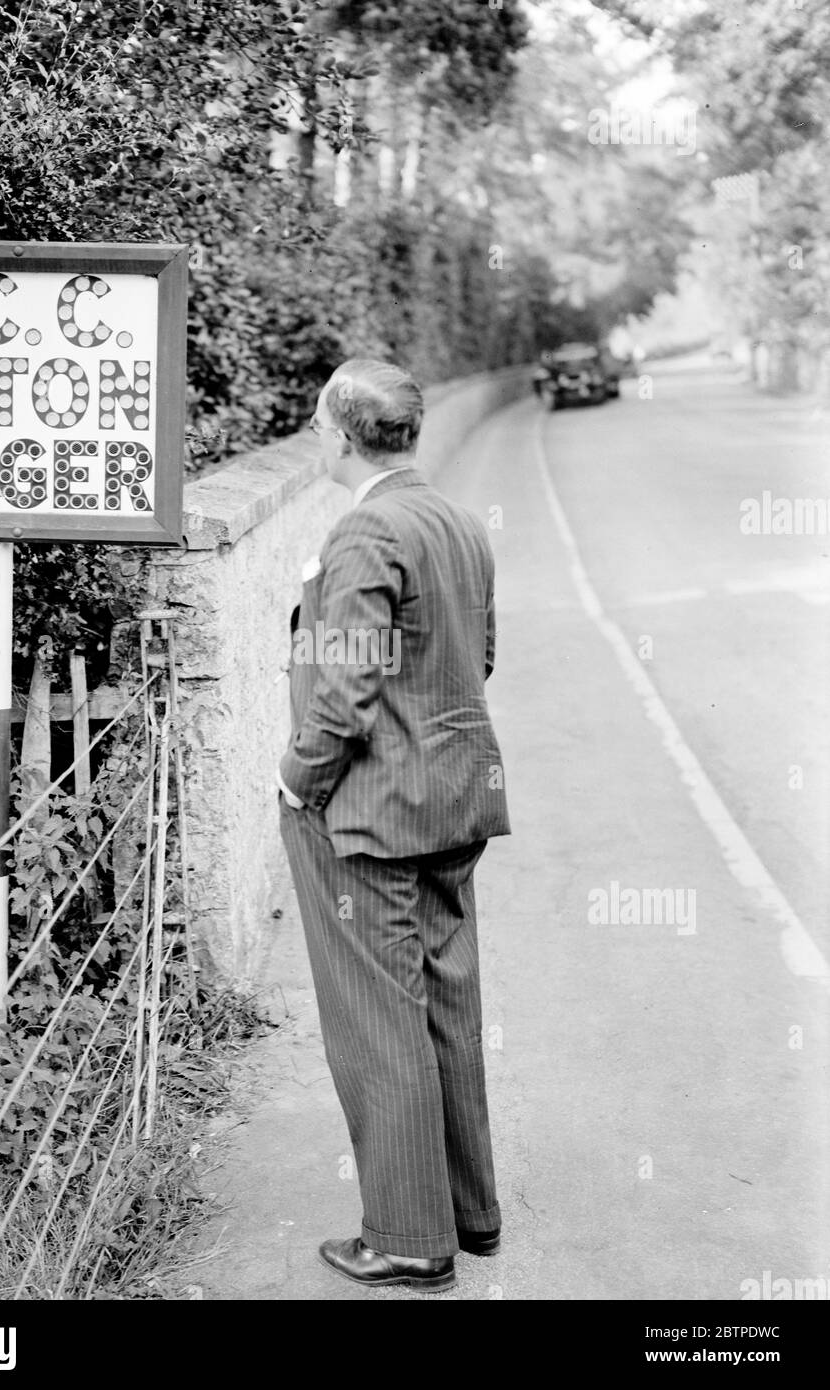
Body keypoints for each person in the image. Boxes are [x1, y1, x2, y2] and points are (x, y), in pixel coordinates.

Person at [276, 358, 510, 1292]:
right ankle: (465, 1214)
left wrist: (299, 779)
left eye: (317, 421)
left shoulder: (366, 529)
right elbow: (477, 658)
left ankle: (410, 1239)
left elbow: (346, 689)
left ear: (337, 434)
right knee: (445, 1007)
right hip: (457, 801)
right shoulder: (456, 521)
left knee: (381, 1022)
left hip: (372, 817)